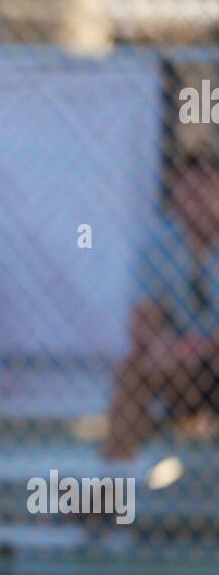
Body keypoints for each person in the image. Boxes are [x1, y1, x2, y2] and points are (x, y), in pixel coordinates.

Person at [105, 147, 219, 459]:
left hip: (207, 358)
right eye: (186, 185)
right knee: (131, 371)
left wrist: (193, 350)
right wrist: (161, 348)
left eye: (206, 183)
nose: (195, 193)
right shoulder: (158, 244)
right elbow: (143, 318)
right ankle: (109, 488)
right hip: (177, 367)